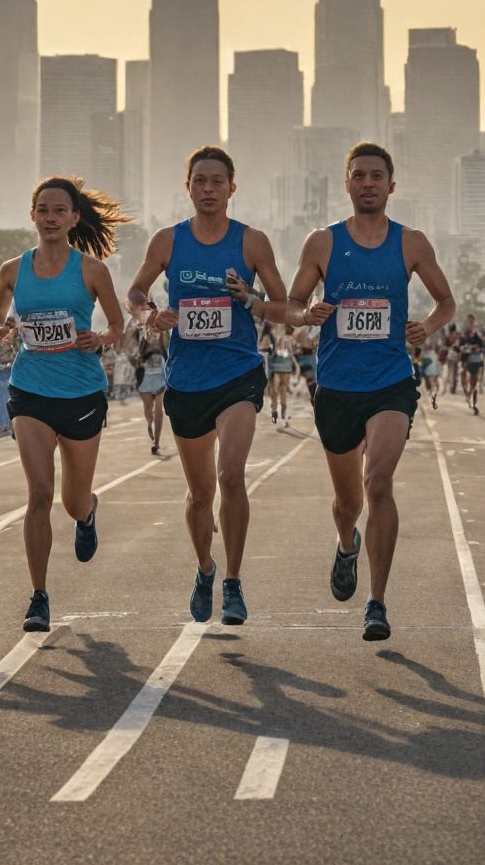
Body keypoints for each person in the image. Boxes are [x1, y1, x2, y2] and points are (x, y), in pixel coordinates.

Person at [283, 142, 457, 642]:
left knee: (377, 482)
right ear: (348, 185)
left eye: (376, 176)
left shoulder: (411, 243)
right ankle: (345, 543)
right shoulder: (323, 243)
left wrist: (429, 325)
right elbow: (294, 303)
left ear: (391, 186)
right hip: (337, 384)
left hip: (390, 382)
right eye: (358, 175)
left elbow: (446, 301)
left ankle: (377, 602)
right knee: (347, 501)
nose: (368, 183)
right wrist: (307, 314)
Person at [125, 146, 293, 625]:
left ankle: (234, 583)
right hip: (187, 379)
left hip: (238, 374)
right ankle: (205, 569)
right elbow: (136, 294)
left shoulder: (252, 242)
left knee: (231, 475)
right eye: (200, 181)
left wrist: (250, 297)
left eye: (218, 181)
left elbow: (283, 306)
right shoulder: (168, 241)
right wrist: (150, 316)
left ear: (231, 188)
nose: (209, 189)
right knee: (200, 495)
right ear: (189, 188)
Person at [0, 176, 130, 633]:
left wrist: (99, 340)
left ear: (73, 218)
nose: (50, 218)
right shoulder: (13, 269)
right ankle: (39, 597)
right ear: (32, 216)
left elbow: (117, 324)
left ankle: (87, 512)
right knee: (38, 493)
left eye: (59, 211)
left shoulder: (91, 270)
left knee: (70, 499)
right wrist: (2, 331)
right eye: (42, 210)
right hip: (30, 390)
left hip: (82, 393)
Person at [130, 317, 168, 454]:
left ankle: (156, 442)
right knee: (148, 408)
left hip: (159, 376)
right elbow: (132, 353)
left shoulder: (161, 331)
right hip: (145, 376)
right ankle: (149, 423)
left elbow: (164, 349)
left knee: (159, 409)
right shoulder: (139, 333)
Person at [264, 325, 297, 424]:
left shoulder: (290, 340)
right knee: (274, 390)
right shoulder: (275, 339)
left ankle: (283, 412)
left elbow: (291, 351)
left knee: (283, 390)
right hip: (276, 368)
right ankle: (274, 412)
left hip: (286, 368)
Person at [457, 315, 485, 414]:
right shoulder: (462, 337)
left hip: (475, 363)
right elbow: (457, 348)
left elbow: (483, 348)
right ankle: (469, 398)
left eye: (472, 323)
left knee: (474, 385)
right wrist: (463, 348)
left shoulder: (477, 337)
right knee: (466, 382)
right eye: (469, 323)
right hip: (465, 364)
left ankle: (474, 404)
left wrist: (478, 349)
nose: (470, 325)